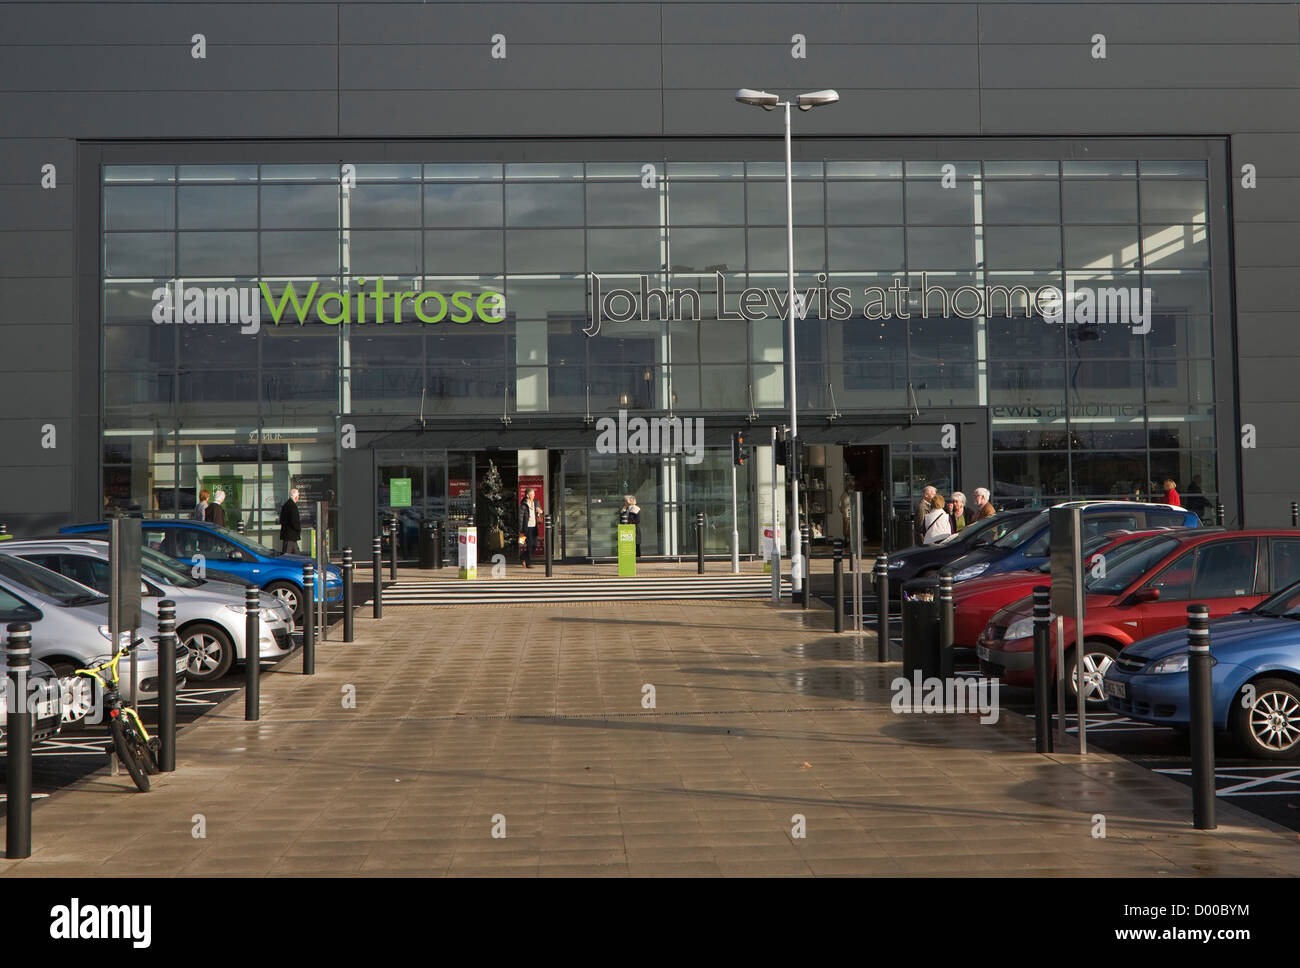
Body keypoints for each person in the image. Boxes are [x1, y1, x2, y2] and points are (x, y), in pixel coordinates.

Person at [518, 487, 540, 568]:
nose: (534, 495)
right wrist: (521, 530)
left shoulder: (536, 503)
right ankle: (528, 563)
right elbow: (520, 518)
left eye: (534, 494)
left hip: (534, 527)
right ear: (527, 495)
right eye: (532, 494)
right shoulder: (523, 505)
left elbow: (538, 511)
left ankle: (523, 557)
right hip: (527, 528)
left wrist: (539, 512)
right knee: (530, 545)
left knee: (535, 545)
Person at [279, 487, 302, 554]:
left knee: (296, 554)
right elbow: (294, 521)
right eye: (298, 495)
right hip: (291, 535)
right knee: (287, 555)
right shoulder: (292, 506)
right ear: (295, 497)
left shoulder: (287, 504)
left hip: (289, 535)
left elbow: (282, 520)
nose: (299, 497)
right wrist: (298, 529)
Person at [619, 494, 642, 559]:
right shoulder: (624, 509)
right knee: (627, 546)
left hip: (634, 529)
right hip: (625, 530)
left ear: (630, 501)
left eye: (625, 501)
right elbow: (621, 519)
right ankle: (627, 558)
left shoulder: (636, 509)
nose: (624, 502)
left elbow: (637, 520)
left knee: (636, 544)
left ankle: (637, 559)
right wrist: (622, 512)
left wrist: (629, 523)